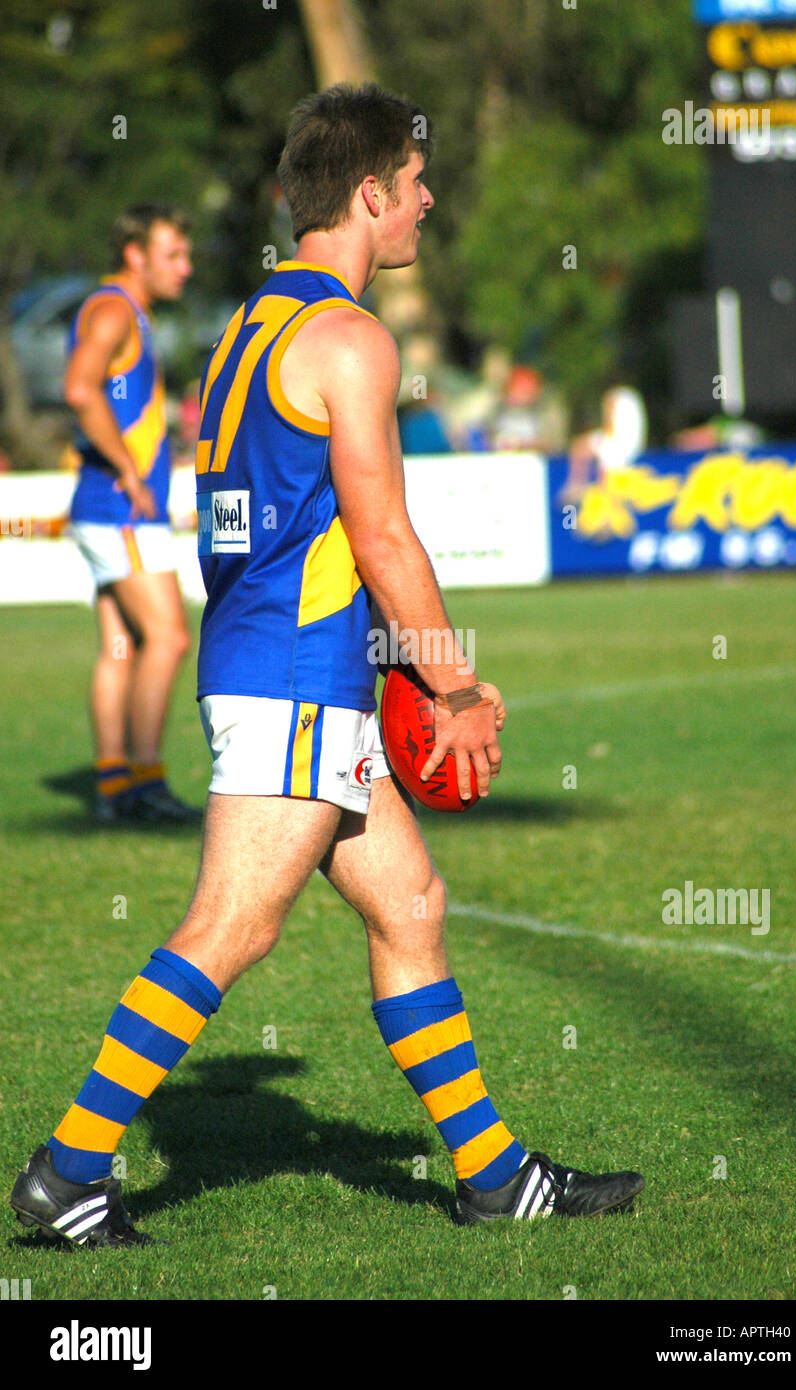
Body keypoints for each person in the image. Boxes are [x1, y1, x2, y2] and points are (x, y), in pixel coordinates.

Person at [11, 86, 643, 1245]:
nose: (426, 201)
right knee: (230, 930)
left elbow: (252, 520)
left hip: (286, 668)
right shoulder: (351, 338)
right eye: (413, 182)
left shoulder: (252, 323)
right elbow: (383, 533)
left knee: (409, 903)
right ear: (369, 193)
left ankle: (492, 1174)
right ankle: (66, 1174)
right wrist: (450, 683)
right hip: (295, 678)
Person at [64, 204, 202, 824]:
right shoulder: (116, 308)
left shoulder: (124, 311)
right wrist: (126, 467)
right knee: (169, 638)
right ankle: (144, 781)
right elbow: (78, 388)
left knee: (121, 646)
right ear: (135, 255)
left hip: (106, 508)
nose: (187, 267)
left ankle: (114, 785)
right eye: (173, 254)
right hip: (120, 509)